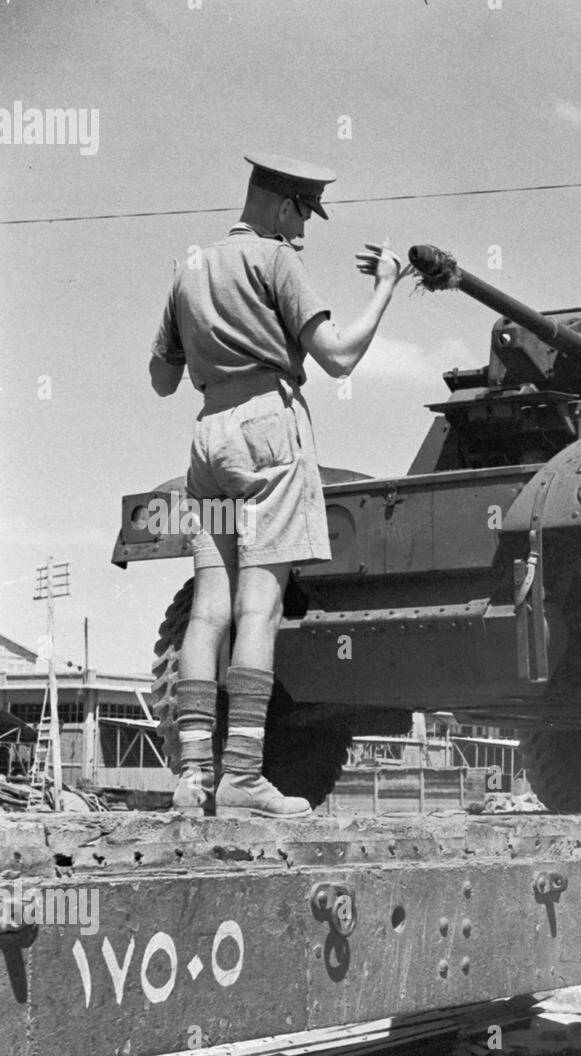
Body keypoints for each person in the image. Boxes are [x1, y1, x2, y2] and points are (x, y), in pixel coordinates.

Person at [148, 153, 454, 818]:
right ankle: (243, 779)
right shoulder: (276, 261)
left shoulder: (190, 266)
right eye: (304, 216)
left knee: (209, 612)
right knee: (260, 607)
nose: (304, 233)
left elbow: (161, 378)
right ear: (285, 205)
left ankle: (193, 777)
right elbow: (338, 355)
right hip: (267, 430)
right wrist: (384, 285)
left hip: (208, 434)